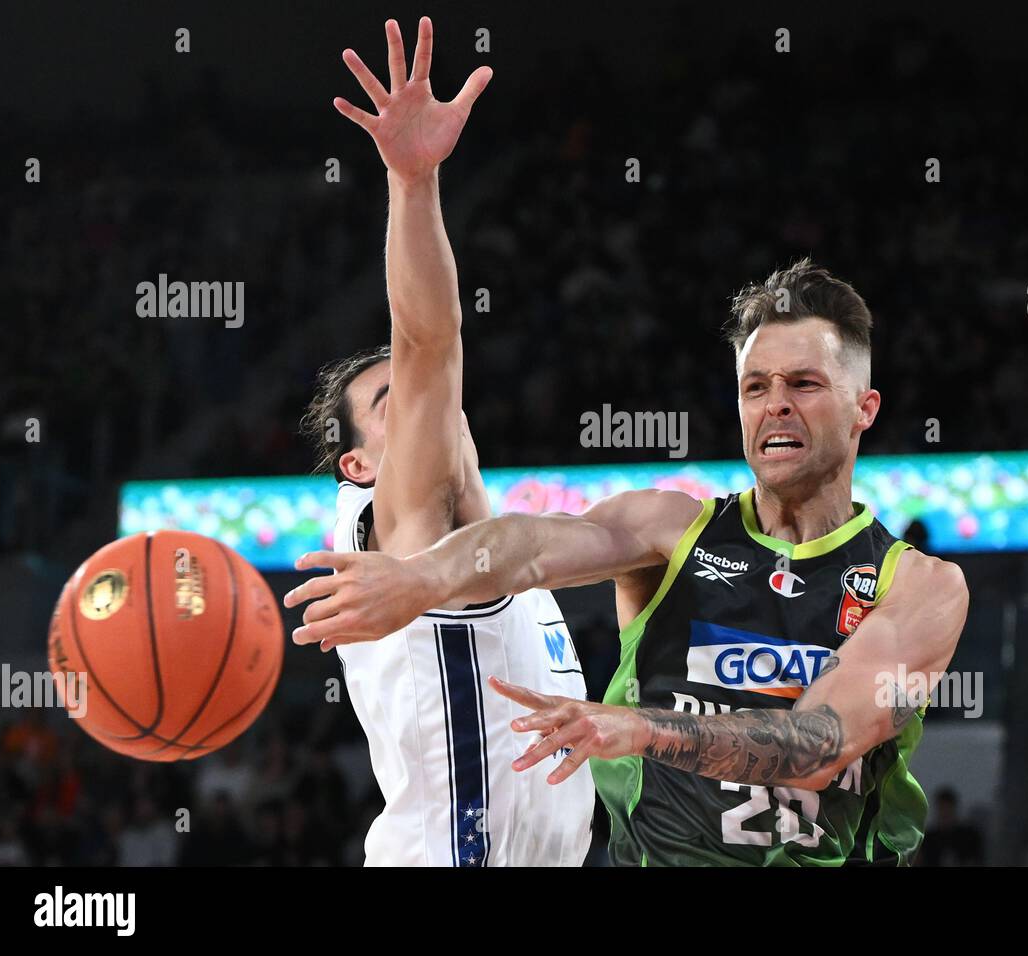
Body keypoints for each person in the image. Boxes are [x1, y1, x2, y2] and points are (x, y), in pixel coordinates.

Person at [286, 257, 968, 866]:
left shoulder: (918, 586)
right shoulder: (669, 530)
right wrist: (423, 575)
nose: (776, 404)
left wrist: (640, 729)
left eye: (805, 383)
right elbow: (527, 546)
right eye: (755, 386)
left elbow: (816, 747)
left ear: (864, 408)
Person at [296, 17, 593, 866]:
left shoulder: (492, 550)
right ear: (358, 465)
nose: (425, 403)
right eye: (394, 404)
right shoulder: (403, 518)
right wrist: (414, 182)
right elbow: (429, 340)